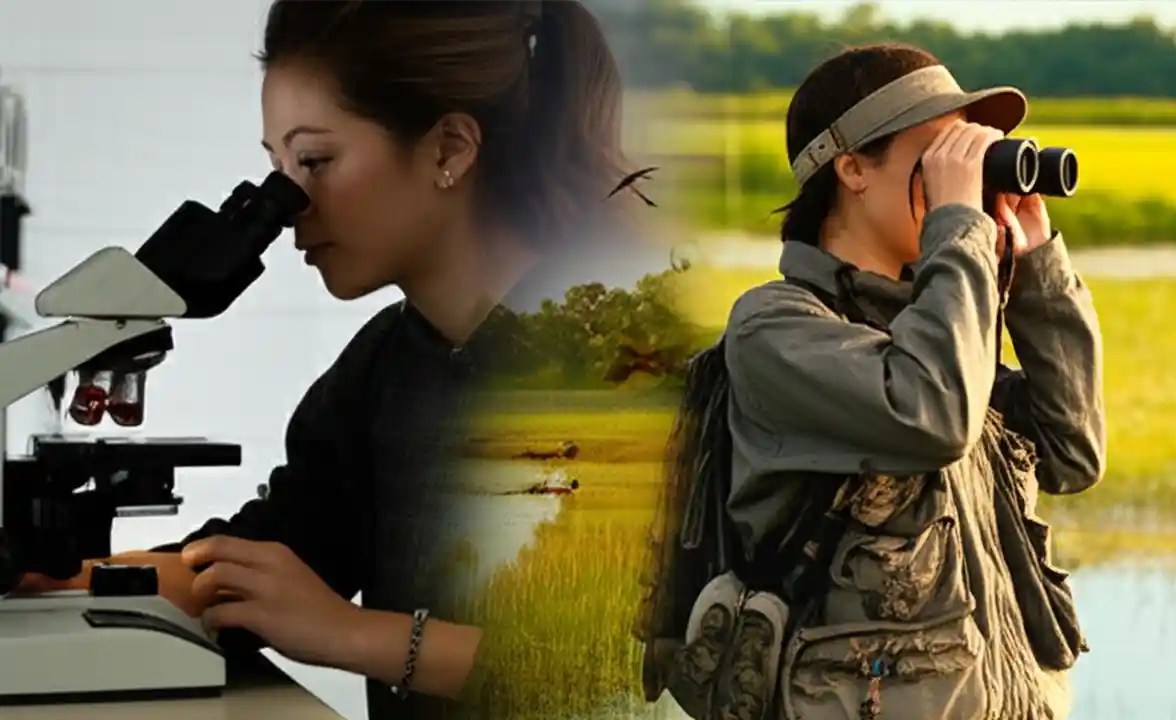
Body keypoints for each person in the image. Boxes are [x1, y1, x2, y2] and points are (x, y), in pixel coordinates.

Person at [16, 1, 639, 718]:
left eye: (314, 161)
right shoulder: (388, 363)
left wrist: (349, 632)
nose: (290, 209)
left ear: (449, 150)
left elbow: (621, 673)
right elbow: (258, 560)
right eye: (276, 168)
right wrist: (51, 574)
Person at [646, 43, 1105, 719]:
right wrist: (959, 232)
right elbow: (934, 416)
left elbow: (1073, 453)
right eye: (940, 160)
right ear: (852, 168)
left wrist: (1033, 269)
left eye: (970, 163)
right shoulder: (774, 331)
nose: (964, 183)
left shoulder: (939, 330)